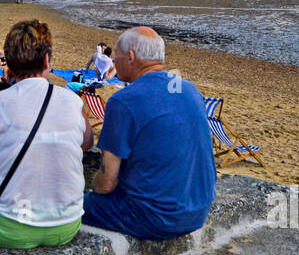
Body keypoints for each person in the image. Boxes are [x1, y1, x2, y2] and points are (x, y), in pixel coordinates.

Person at [0, 19, 91, 248]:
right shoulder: (73, 102)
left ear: (9, 63)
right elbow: (85, 144)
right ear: (46, 60)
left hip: (9, 227)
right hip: (65, 225)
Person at [82, 27, 216, 241]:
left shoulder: (123, 101)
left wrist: (91, 188)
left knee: (72, 207)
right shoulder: (190, 90)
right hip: (198, 210)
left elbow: (106, 184)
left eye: (116, 54)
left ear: (131, 57)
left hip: (153, 218)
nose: (114, 60)